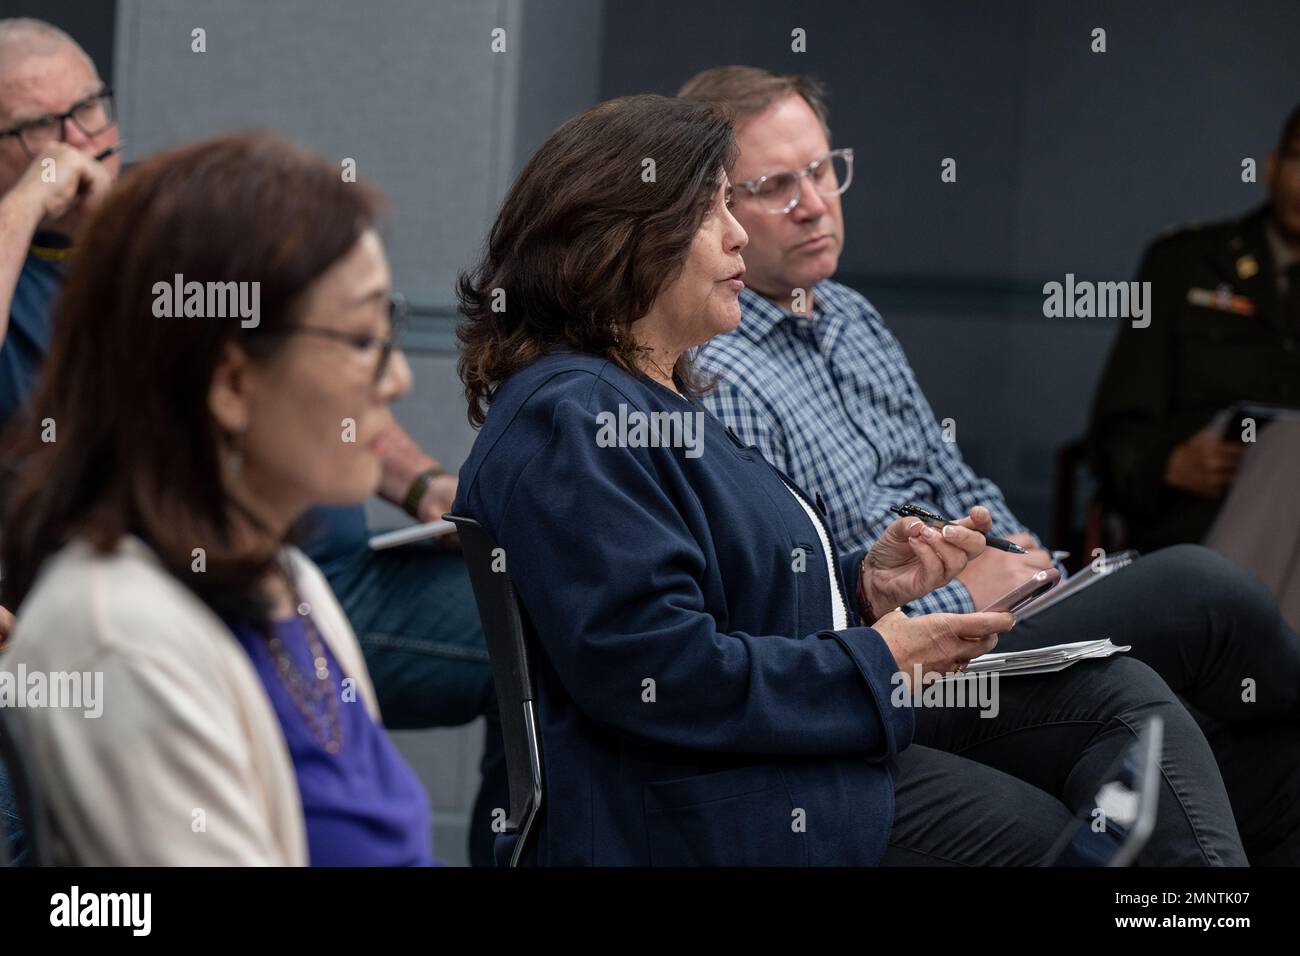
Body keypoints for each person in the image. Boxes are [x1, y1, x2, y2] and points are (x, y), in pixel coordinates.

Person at [452, 93, 1245, 866]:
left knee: (1130, 712)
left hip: (774, 760)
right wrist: (882, 660)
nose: (737, 238)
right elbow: (664, 675)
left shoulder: (641, 393)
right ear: (618, 241)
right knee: (1088, 802)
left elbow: (724, 600)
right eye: (714, 211)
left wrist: (863, 588)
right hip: (717, 808)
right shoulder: (580, 417)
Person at [677, 65, 1300, 864]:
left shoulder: (851, 315)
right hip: (912, 655)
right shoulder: (715, 365)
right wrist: (973, 586)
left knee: (1271, 760)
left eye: (823, 169)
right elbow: (799, 601)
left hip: (1012, 605)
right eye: (773, 186)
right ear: (715, 210)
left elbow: (954, 479)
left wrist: (1031, 563)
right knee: (1203, 589)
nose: (814, 202)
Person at [0, 17, 502, 866]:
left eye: (91, 103)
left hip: (312, 567)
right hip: (140, 595)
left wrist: (427, 490)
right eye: (46, 126)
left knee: (541, 616)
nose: (84, 138)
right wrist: (33, 198)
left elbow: (306, 374)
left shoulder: (287, 575)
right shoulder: (111, 627)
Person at [1087, 102, 1300, 625]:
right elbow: (1113, 436)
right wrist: (1169, 463)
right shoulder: (1184, 263)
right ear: (1272, 165)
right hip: (1192, 521)